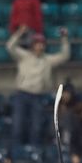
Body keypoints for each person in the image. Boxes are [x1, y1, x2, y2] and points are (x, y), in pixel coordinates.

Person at [6, 25, 70, 154]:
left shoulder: (47, 60)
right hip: (21, 94)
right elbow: (10, 46)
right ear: (32, 45)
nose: (40, 46)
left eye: (42, 44)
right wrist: (19, 33)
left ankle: (34, 153)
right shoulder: (24, 56)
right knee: (18, 125)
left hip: (38, 96)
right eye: (37, 44)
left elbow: (64, 56)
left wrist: (64, 39)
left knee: (36, 126)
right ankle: (16, 153)